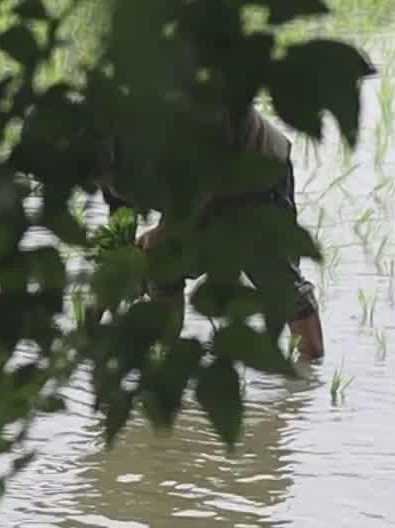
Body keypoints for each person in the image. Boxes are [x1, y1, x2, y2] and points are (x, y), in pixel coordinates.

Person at [96, 104, 325, 360]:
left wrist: (165, 230)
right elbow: (121, 220)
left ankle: (310, 370)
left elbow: (208, 168)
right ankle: (168, 358)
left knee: (277, 280)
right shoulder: (99, 159)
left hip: (253, 168)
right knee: (162, 263)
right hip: (196, 187)